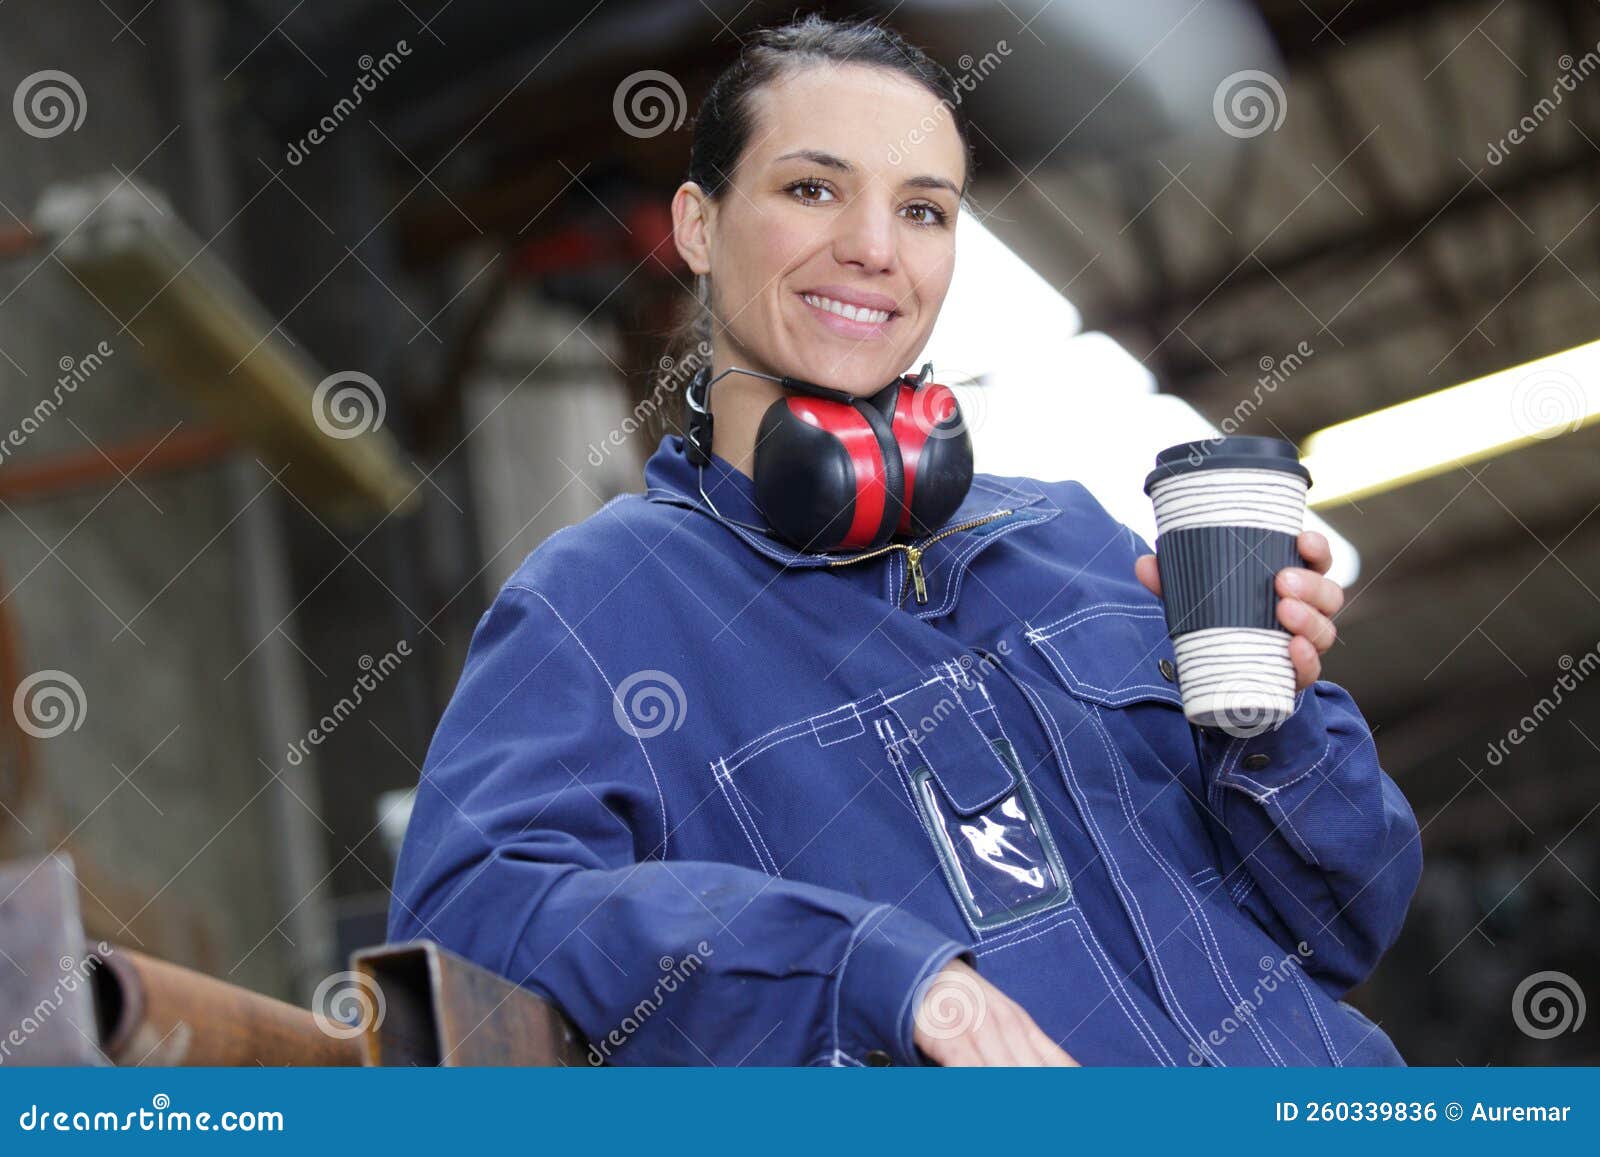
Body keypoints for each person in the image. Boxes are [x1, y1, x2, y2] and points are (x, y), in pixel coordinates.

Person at [388, 14, 1422, 1067]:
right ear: (697, 226)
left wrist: (1270, 725)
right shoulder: (603, 603)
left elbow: (1346, 920)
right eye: (811, 189)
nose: (875, 250)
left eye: (922, 209)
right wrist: (881, 976)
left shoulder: (1074, 536)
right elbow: (475, 912)